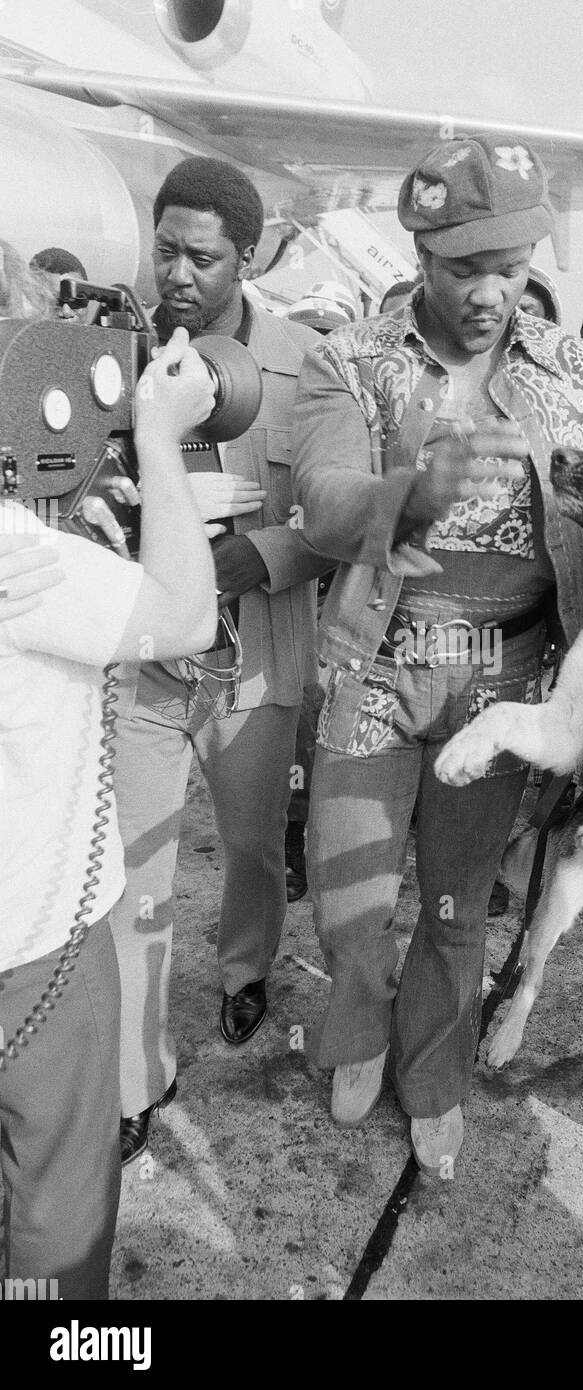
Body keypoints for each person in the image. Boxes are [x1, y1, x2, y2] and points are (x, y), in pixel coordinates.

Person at [292, 133, 583, 1177]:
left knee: (455, 906)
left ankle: (430, 1074)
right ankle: (353, 1030)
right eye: (462, 267)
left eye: (510, 267)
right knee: (346, 901)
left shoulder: (577, 376)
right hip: (380, 670)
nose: (488, 293)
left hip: (507, 680)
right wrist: (404, 496)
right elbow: (323, 504)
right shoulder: (350, 360)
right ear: (417, 253)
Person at [109, 157, 326, 1167]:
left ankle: (245, 969)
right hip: (146, 665)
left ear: (248, 256)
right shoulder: (110, 354)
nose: (180, 274)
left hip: (252, 665)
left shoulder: (305, 364)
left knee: (248, 849)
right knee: (138, 872)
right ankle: (135, 1069)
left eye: (203, 256)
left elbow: (335, 515)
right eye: (166, 251)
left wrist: (265, 552)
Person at [1, 314, 218, 1299]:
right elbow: (184, 615)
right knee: (55, 1208)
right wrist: (162, 439)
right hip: (32, 949)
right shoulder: (21, 563)